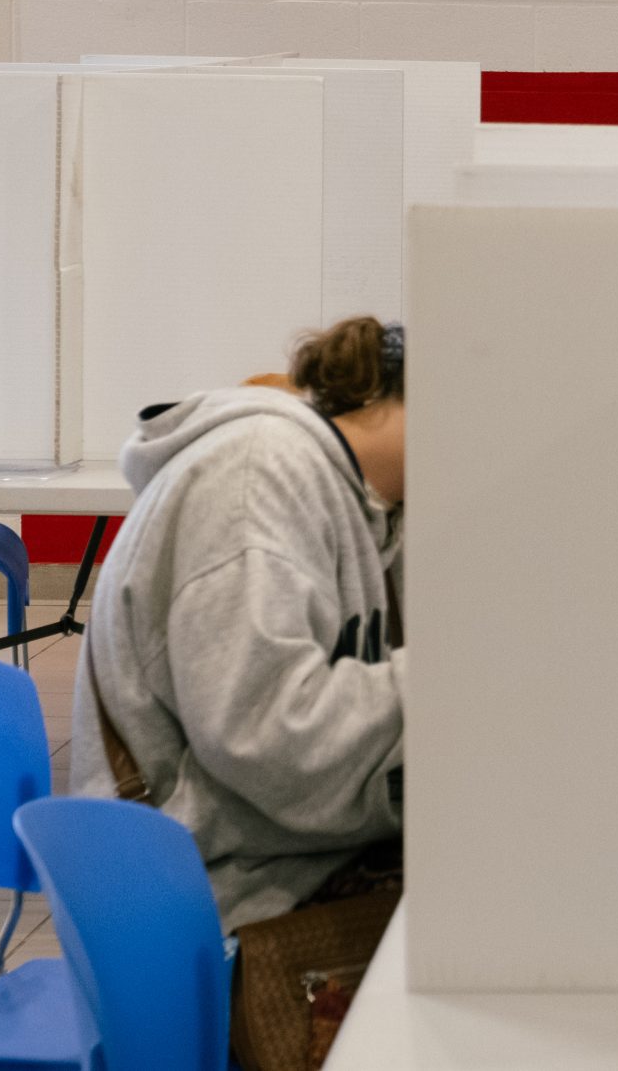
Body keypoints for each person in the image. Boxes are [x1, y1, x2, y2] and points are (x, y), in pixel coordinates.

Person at [74, 316, 407, 930]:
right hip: (203, 901)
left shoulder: (371, 505)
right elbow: (269, 736)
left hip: (273, 860)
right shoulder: (258, 478)